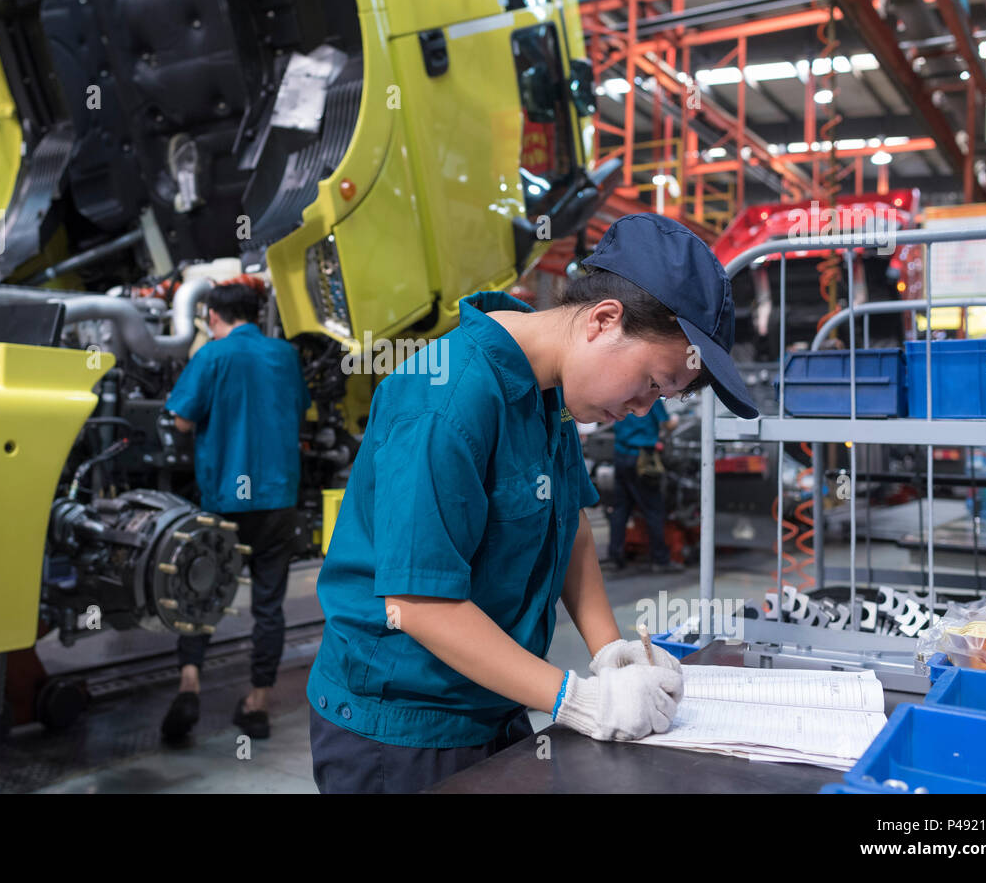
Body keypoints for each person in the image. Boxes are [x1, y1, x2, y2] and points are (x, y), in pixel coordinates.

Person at [306, 213, 760, 793]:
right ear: (603, 320)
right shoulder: (447, 396)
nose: (645, 408)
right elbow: (418, 604)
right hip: (401, 728)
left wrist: (611, 654)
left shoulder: (551, 396)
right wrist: (576, 699)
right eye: (652, 381)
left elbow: (569, 527)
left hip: (494, 702)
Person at [160, 280, 311, 742]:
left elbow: (182, 419)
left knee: (200, 590)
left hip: (225, 498)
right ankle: (259, 702)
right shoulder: (284, 356)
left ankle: (190, 684)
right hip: (277, 497)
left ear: (211, 317)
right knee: (269, 604)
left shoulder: (212, 354)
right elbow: (300, 410)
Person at [604, 400, 681, 573]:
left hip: (620, 454)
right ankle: (660, 560)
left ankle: (615, 557)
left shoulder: (623, 392)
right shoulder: (651, 396)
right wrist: (676, 421)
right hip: (642, 459)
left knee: (620, 510)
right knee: (654, 510)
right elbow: (667, 424)